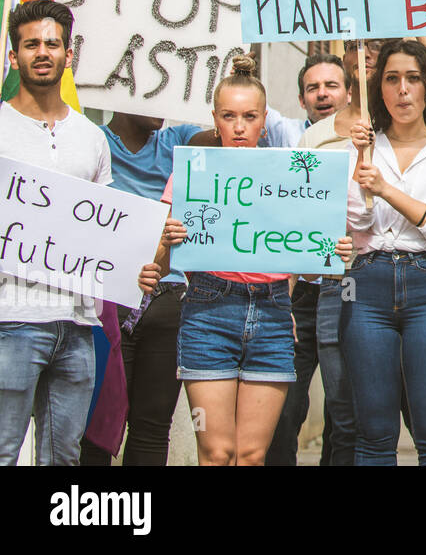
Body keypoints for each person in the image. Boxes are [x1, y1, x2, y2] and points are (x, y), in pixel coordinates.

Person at [142, 55, 350, 466]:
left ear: (264, 121)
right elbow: (160, 266)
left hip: (273, 313)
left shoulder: (289, 176)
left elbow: (308, 265)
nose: (239, 127)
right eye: (229, 116)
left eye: (249, 116)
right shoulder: (192, 174)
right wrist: (164, 246)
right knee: (216, 452)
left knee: (253, 455)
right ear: (215, 119)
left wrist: (333, 252)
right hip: (207, 313)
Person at [0, 0, 126, 464]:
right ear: (13, 56)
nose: (42, 52)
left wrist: (135, 266)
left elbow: (105, 229)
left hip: (77, 325)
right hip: (10, 319)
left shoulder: (91, 137)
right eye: (31, 44)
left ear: (68, 55)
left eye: (52, 44)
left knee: (64, 458)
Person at [345, 39, 426, 465]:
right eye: (392, 79)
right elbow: (358, 221)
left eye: (413, 79)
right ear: (379, 88)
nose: (402, 89)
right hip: (366, 286)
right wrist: (358, 160)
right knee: (373, 432)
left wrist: (385, 188)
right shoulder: (363, 148)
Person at [79, 111, 204, 466]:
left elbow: (226, 135)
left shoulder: (181, 140)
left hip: (168, 298)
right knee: (97, 424)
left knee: (152, 427)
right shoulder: (92, 140)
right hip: (109, 298)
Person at [266, 52, 350, 466]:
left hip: (347, 292)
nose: (322, 94)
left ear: (348, 93)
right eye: (312, 88)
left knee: (342, 411)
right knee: (283, 410)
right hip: (298, 295)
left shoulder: (369, 142)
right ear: (301, 99)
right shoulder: (286, 136)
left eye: (331, 85)